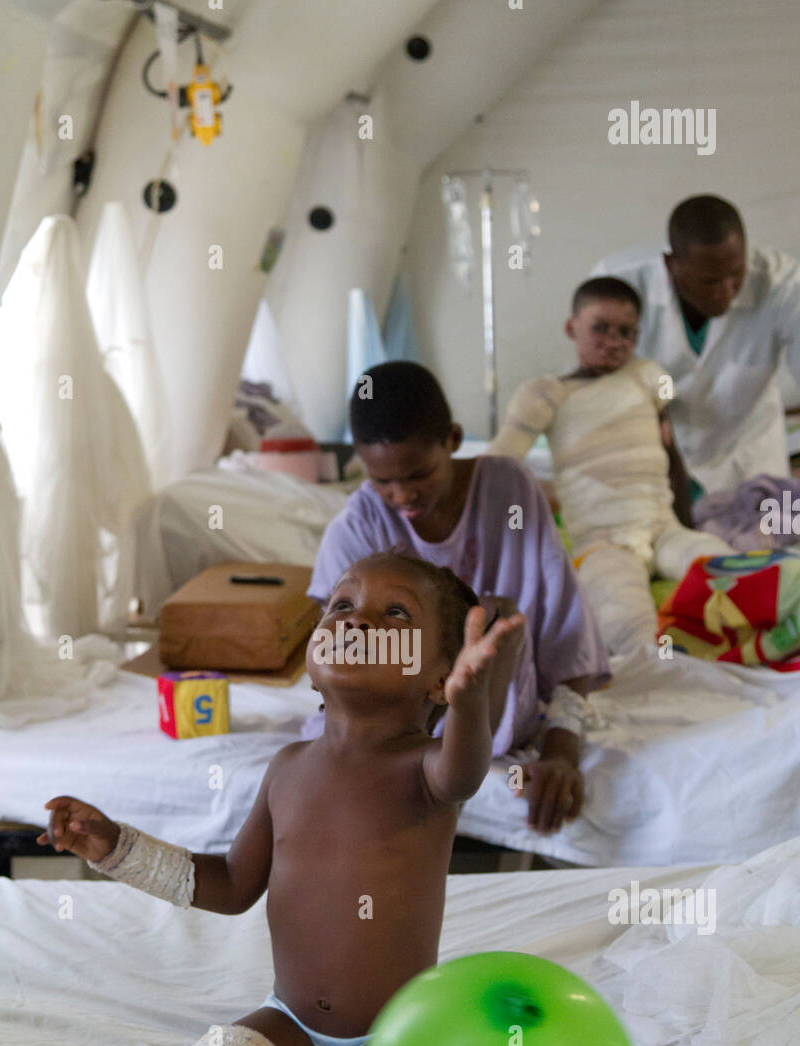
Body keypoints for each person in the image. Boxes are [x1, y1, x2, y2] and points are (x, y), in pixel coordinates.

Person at [38, 550, 524, 1046]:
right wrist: (117, 848)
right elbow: (231, 885)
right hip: (291, 1022)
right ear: (312, 659)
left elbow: (464, 768)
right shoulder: (288, 769)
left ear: (435, 678)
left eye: (395, 616)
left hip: (395, 1035)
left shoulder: (423, 770)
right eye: (340, 605)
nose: (356, 618)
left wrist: (471, 701)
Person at [308, 361, 610, 837]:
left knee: (497, 617)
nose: (401, 494)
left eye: (417, 473)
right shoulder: (358, 525)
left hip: (499, 708)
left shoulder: (510, 491)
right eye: (381, 481)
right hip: (396, 712)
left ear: (452, 438)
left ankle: (464, 736)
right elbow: (332, 655)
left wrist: (561, 750)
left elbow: (566, 642)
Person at [490, 277, 733, 657]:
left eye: (626, 332)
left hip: (663, 527)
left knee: (726, 566)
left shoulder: (648, 377)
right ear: (571, 329)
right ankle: (657, 679)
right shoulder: (546, 395)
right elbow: (497, 466)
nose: (614, 340)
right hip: (603, 542)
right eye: (600, 328)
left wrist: (686, 523)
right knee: (623, 621)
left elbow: (672, 454)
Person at [593, 194, 800, 497]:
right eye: (709, 282)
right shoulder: (619, 284)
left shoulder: (784, 286)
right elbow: (597, 384)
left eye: (736, 275)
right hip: (652, 456)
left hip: (749, 458)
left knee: (760, 541)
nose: (726, 292)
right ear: (671, 264)